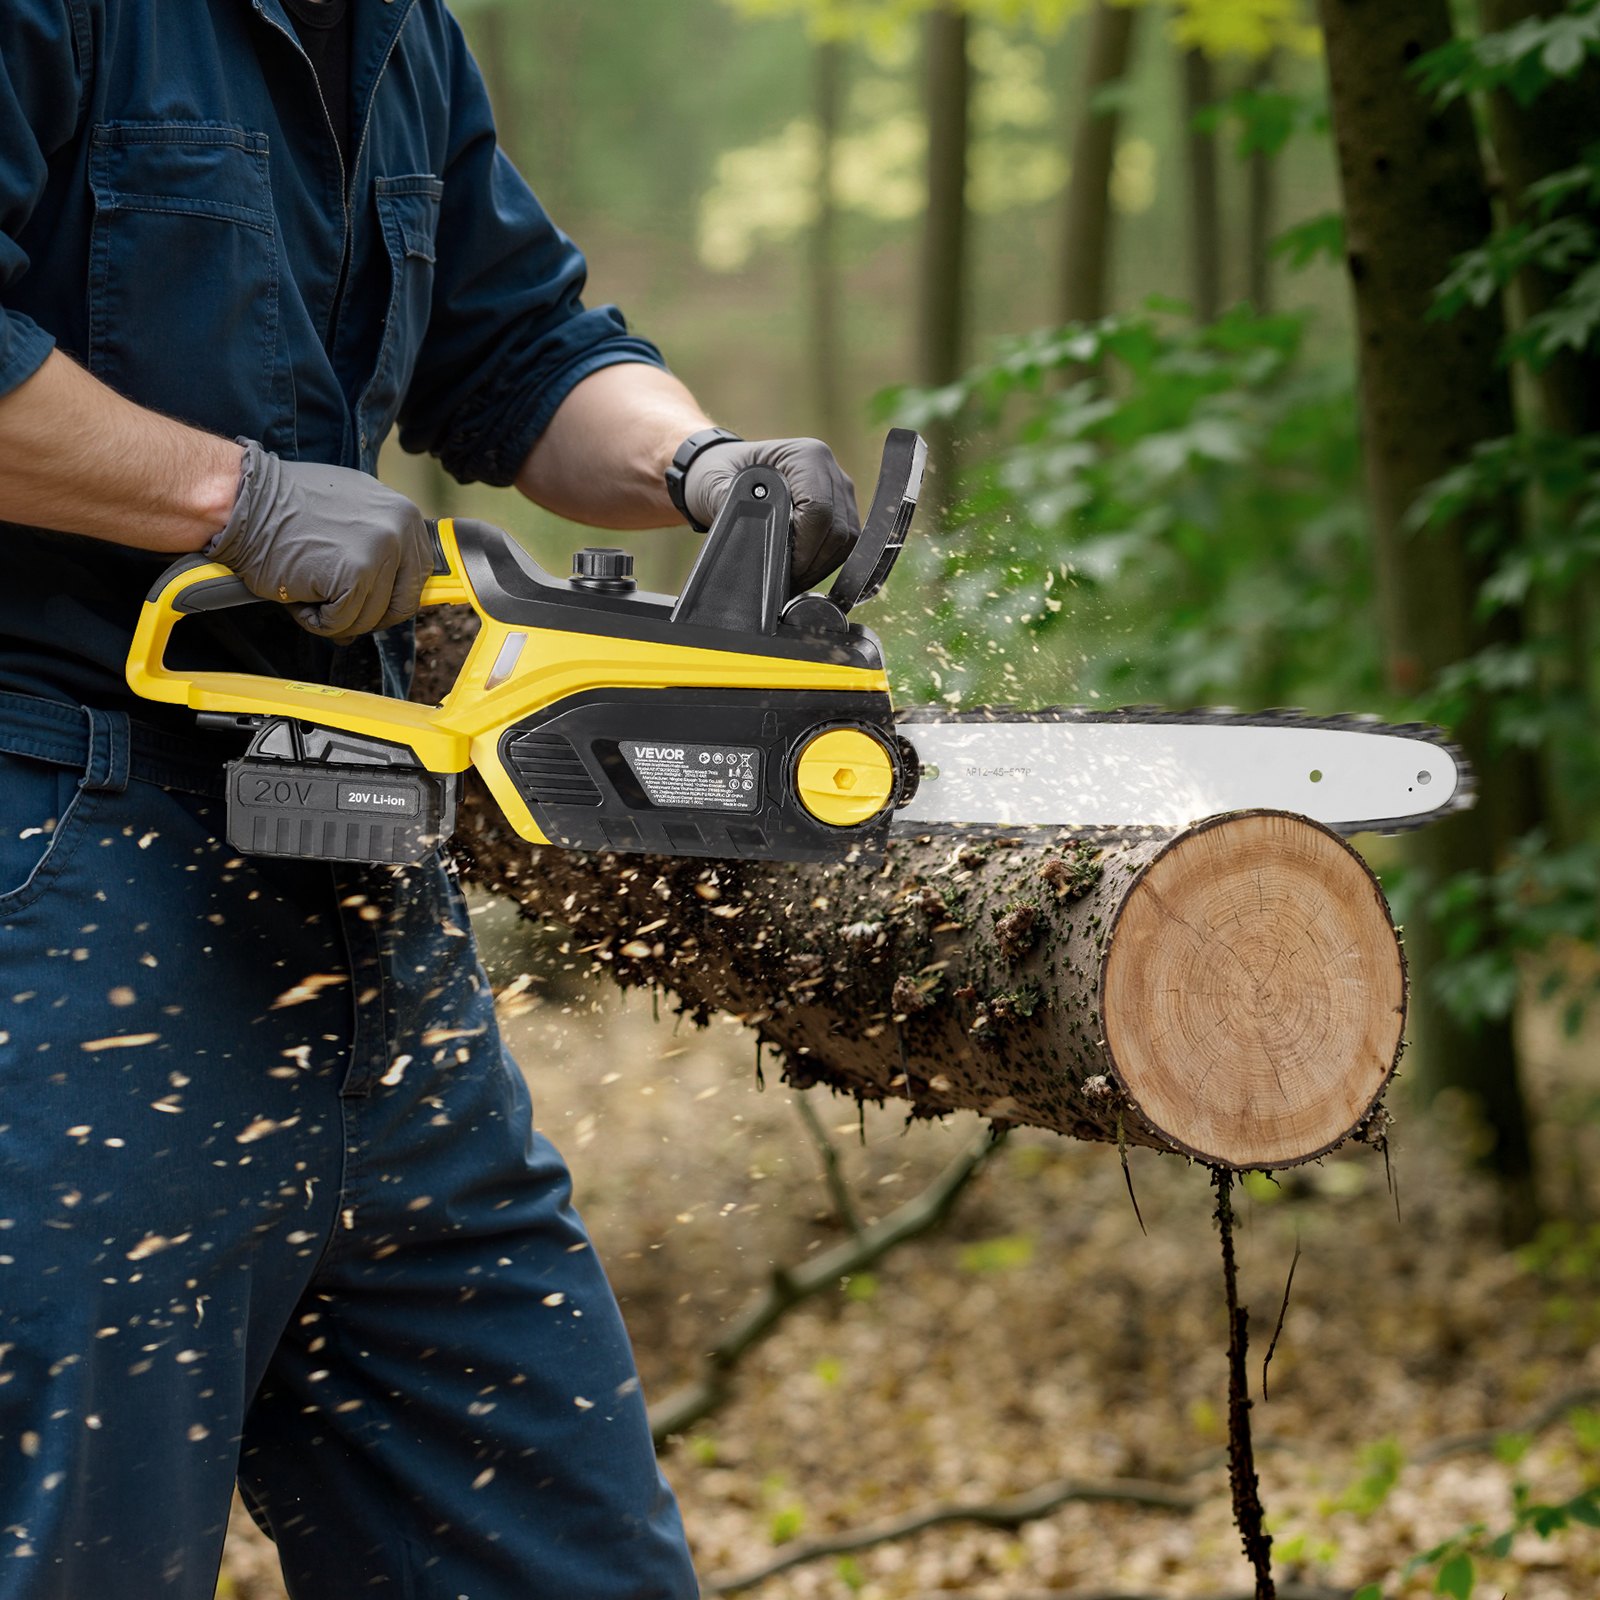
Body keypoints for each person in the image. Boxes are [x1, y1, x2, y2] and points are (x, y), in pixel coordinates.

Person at [0, 1, 860, 1594]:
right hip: (59, 866)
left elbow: (517, 346)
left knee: (551, 1547)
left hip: (348, 876)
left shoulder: (400, 37)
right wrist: (233, 498)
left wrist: (703, 464)